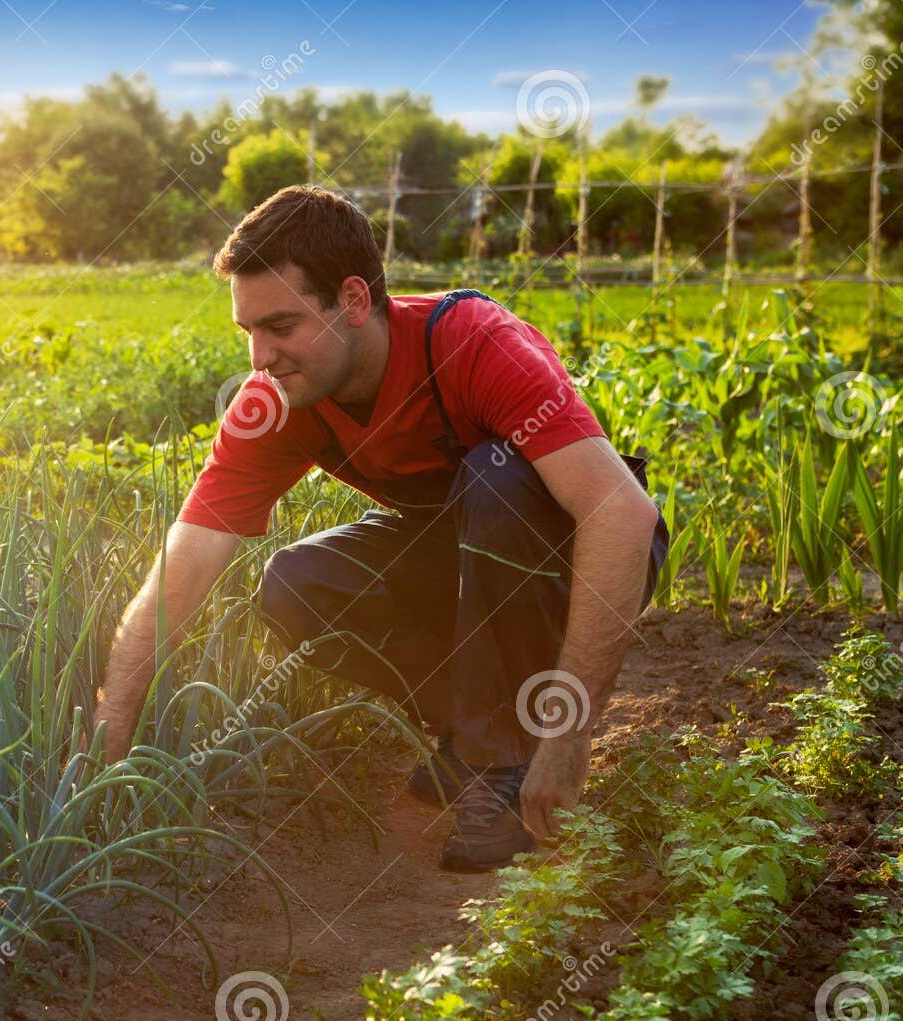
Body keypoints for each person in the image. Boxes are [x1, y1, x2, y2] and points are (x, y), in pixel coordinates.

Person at [90, 185, 669, 872]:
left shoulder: (474, 344)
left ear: (355, 301)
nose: (260, 358)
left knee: (495, 475)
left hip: (570, 558)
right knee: (297, 585)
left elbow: (622, 514)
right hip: (462, 557)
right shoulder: (278, 402)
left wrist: (571, 733)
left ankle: (507, 760)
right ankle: (479, 727)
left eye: (281, 326)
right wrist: (111, 727)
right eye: (247, 332)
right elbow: (183, 562)